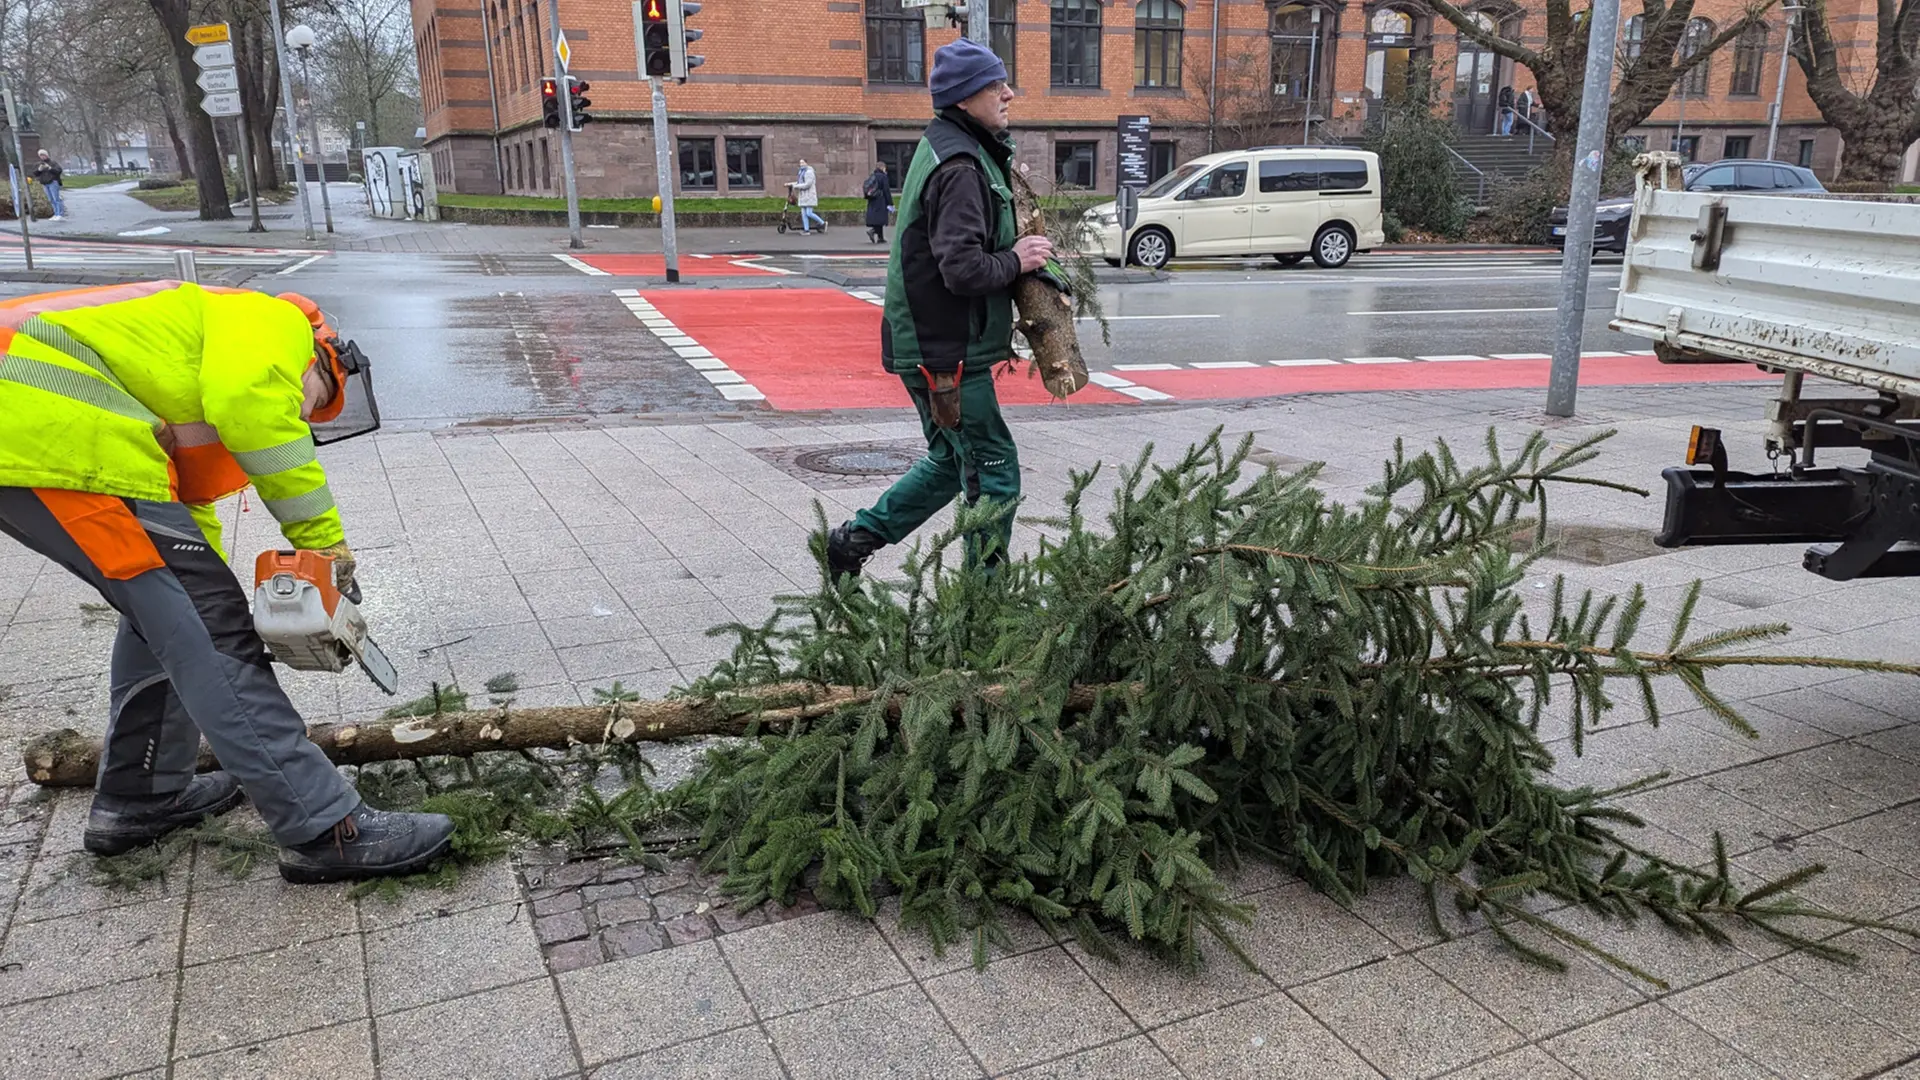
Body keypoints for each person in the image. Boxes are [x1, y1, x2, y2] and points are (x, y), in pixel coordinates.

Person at [0, 281, 455, 882]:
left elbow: (184, 514)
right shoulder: (275, 323)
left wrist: (219, 587)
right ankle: (322, 826)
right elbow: (252, 405)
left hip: (45, 435)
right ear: (325, 356)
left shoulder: (187, 342)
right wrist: (322, 545)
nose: (300, 412)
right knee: (213, 631)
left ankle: (140, 796)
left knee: (170, 616)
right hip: (50, 433)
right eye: (311, 401)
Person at [824, 38, 1056, 580]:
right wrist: (1017, 260)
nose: (1009, 93)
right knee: (994, 473)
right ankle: (981, 614)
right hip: (947, 352)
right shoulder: (960, 166)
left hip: (932, 345)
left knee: (952, 462)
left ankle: (852, 543)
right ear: (963, 97)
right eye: (996, 85)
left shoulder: (955, 148)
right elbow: (963, 269)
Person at [863, 161, 893, 244]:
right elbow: (886, 191)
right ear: (883, 168)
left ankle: (881, 238)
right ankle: (872, 231)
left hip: (873, 200)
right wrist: (890, 203)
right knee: (880, 219)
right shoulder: (883, 177)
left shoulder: (873, 176)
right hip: (881, 200)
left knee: (878, 219)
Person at [794, 158, 826, 234]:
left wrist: (797, 186)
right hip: (803, 195)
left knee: (809, 213)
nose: (801, 164)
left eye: (803, 163)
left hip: (809, 195)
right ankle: (806, 230)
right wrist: (792, 184)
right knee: (803, 213)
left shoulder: (809, 172)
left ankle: (822, 223)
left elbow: (807, 184)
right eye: (800, 163)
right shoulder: (801, 172)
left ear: (806, 163)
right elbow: (799, 182)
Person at [33, 150, 65, 221]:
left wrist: (50, 168)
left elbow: (59, 171)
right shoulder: (39, 164)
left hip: (53, 182)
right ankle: (56, 213)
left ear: (47, 155)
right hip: (45, 183)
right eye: (41, 155)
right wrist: (39, 170)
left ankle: (60, 214)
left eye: (43, 155)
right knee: (51, 199)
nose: (42, 157)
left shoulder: (53, 163)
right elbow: (35, 173)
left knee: (56, 198)